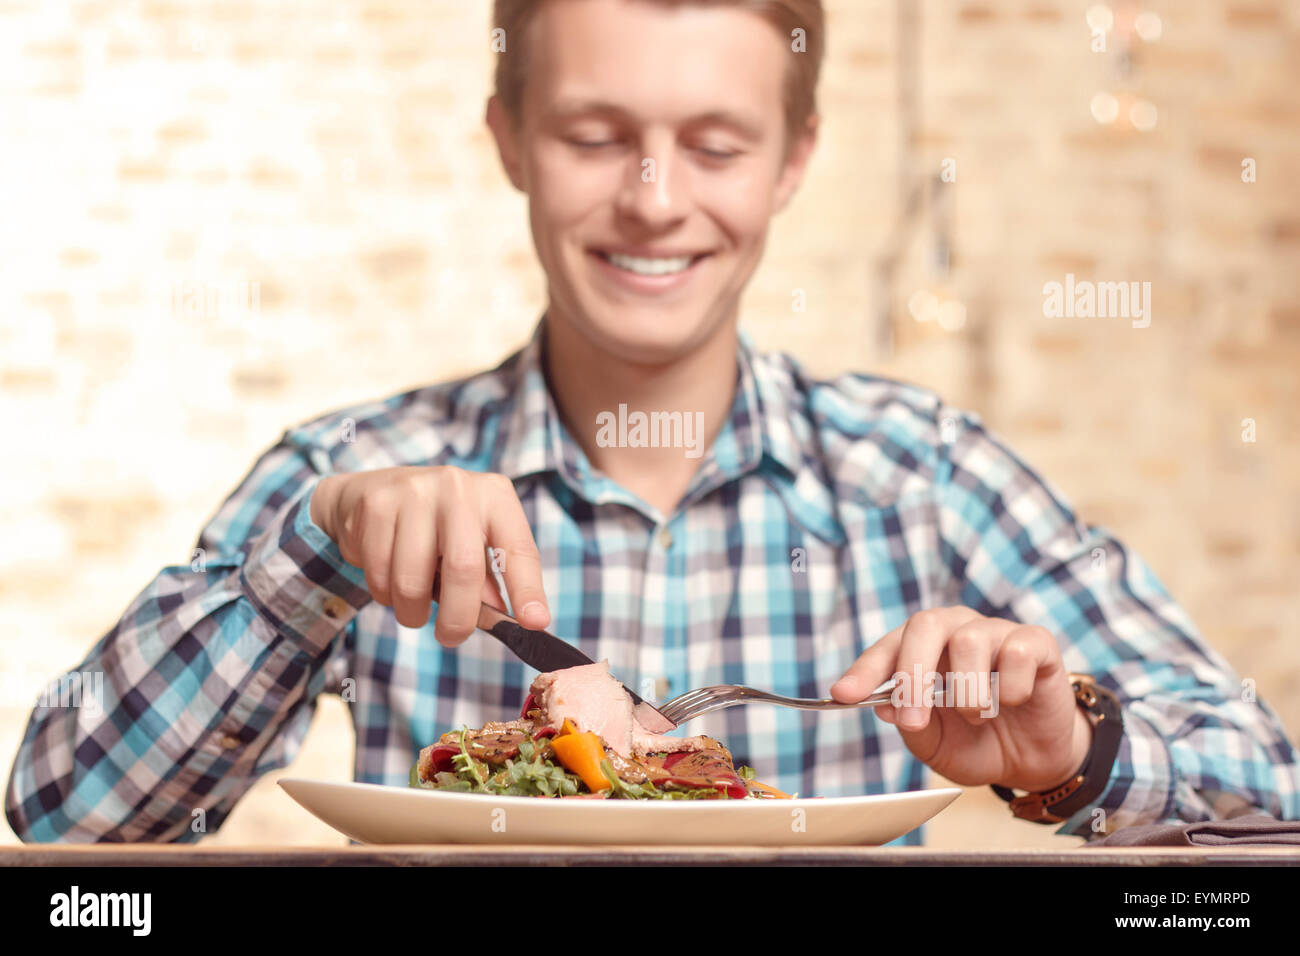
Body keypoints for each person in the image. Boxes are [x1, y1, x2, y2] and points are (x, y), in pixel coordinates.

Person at [7, 0, 1298, 844]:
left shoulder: (924, 477)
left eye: (717, 145)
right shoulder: (351, 485)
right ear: (507, 136)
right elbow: (64, 835)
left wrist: (1079, 749)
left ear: (796, 158)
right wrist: (311, 566)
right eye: (593, 133)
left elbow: (1267, 790)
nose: (653, 199)